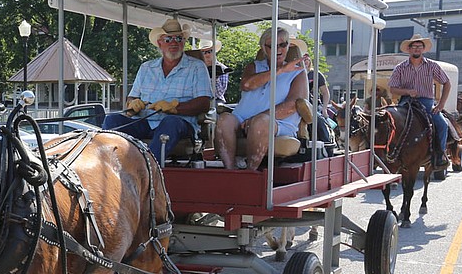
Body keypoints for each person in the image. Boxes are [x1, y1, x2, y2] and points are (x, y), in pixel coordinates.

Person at [102, 18, 212, 163]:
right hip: (144, 122)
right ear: (160, 43)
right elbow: (131, 98)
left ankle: (149, 169)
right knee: (112, 120)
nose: (174, 42)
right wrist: (133, 104)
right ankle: (107, 168)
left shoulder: (197, 67)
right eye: (168, 39)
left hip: (180, 124)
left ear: (184, 42)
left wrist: (174, 108)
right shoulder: (146, 67)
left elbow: (204, 103)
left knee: (170, 122)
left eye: (178, 38)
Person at [214, 27, 309, 170]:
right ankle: (230, 170)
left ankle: (250, 172)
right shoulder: (254, 66)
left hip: (278, 123)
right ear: (264, 48)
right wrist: (280, 70)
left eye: (282, 45)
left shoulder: (298, 73)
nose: (278, 49)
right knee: (224, 120)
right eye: (272, 45)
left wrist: (256, 119)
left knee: (261, 123)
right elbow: (247, 84)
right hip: (241, 119)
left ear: (288, 46)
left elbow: (292, 106)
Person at [386, 34, 451, 168]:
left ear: (423, 49)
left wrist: (441, 104)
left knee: (442, 124)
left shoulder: (432, 66)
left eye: (419, 46)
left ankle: (440, 154)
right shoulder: (400, 68)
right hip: (406, 101)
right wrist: (407, 92)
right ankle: (389, 152)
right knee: (392, 121)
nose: (417, 49)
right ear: (409, 49)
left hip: (426, 101)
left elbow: (447, 83)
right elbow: (392, 88)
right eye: (414, 46)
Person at [187, 38, 229, 103]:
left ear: (214, 52)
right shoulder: (195, 68)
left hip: (216, 100)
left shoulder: (223, 69)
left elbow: (218, 94)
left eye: (209, 51)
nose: (207, 55)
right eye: (204, 52)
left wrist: (214, 77)